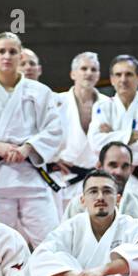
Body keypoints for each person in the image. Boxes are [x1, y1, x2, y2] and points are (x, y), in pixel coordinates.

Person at [0, 31, 65, 248]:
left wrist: (28, 147)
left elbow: (55, 130)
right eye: (2, 51)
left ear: (20, 56)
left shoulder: (40, 92)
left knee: (50, 242)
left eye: (12, 51)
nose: (7, 56)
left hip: (33, 180)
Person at [87, 55, 138, 218]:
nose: (123, 79)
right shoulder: (103, 107)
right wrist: (130, 135)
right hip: (112, 178)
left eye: (129, 74)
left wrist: (111, 137)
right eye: (118, 74)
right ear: (111, 79)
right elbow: (95, 143)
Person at [52, 52, 107, 200]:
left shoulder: (109, 104)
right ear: (73, 74)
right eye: (84, 68)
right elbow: (41, 134)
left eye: (93, 69)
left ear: (98, 75)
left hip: (98, 179)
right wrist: (52, 158)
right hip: (65, 178)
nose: (89, 73)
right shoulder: (56, 102)